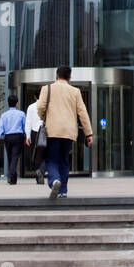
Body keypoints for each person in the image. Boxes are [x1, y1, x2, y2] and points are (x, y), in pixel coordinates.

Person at [36, 66, 93, 199]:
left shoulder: (47, 88)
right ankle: (63, 191)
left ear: (56, 76)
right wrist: (88, 133)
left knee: (51, 159)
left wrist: (44, 117)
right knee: (64, 160)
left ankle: (54, 180)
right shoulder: (75, 91)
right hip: (69, 132)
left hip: (52, 130)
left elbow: (40, 107)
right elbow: (82, 113)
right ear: (69, 78)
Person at [0, 94, 27, 185]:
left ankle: (13, 179)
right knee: (15, 157)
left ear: (8, 103)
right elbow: (25, 127)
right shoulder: (21, 114)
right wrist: (27, 137)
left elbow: (0, 128)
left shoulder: (4, 115)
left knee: (10, 158)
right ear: (16, 103)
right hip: (18, 137)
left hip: (7, 138)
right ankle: (11, 175)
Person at [25, 93, 46, 185]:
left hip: (34, 132)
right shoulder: (47, 105)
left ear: (35, 96)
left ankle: (38, 171)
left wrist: (27, 136)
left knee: (36, 154)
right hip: (45, 132)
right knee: (46, 154)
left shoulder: (31, 107)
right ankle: (41, 170)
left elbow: (28, 122)